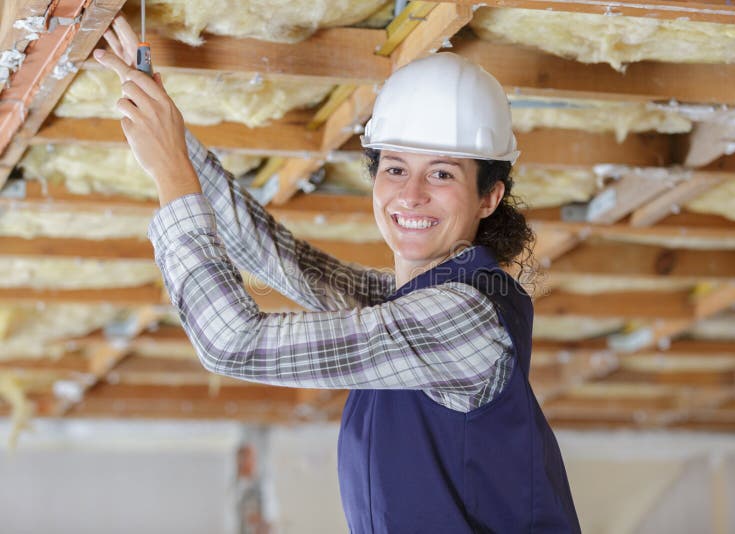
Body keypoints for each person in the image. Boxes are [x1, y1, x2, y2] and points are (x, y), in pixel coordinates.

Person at [96, 15, 581, 533]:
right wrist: (167, 134)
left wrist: (172, 172)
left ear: (489, 196)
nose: (410, 194)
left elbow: (231, 342)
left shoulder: (462, 322)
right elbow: (287, 262)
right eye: (395, 167)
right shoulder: (420, 304)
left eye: (441, 173)